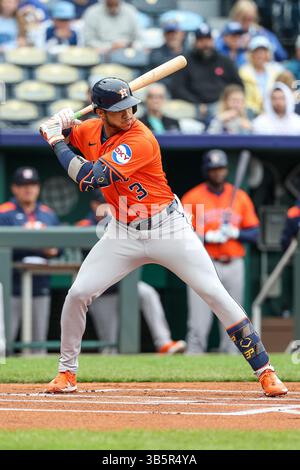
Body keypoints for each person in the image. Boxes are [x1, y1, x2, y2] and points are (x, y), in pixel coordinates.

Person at [39, 76, 287, 397]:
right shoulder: (88, 129)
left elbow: (91, 177)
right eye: (118, 110)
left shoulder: (141, 138)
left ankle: (265, 371)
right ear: (100, 112)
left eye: (130, 106)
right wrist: (58, 123)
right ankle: (66, 373)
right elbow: (55, 130)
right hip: (123, 230)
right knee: (78, 294)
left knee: (214, 293)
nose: (128, 114)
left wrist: (56, 141)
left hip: (168, 228)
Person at [77, 192, 186, 354]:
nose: (109, 206)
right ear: (94, 205)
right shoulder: (85, 225)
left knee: (148, 293)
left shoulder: (123, 220)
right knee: (109, 343)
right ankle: (110, 369)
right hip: (102, 291)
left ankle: (164, 342)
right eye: (104, 203)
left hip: (125, 284)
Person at [181, 150, 260, 354]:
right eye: (214, 169)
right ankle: (193, 361)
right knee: (199, 320)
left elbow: (255, 233)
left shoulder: (240, 197)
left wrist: (236, 233)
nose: (218, 173)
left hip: (233, 263)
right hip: (204, 265)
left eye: (221, 169)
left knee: (235, 318)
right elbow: (181, 234)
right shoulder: (192, 197)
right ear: (206, 171)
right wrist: (208, 237)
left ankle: (234, 360)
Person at [0, 167, 60, 353]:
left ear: (38, 187)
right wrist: (36, 245)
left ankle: (35, 381)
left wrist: (51, 249)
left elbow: (60, 247)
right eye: (23, 185)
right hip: (10, 286)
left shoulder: (48, 214)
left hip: (40, 285)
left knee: (37, 343)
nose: (28, 189)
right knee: (5, 343)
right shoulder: (4, 212)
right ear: (14, 188)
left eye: (32, 184)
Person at [169, 23, 243, 124]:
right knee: (172, 110)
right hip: (191, 106)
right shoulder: (186, 60)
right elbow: (178, 88)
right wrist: (197, 103)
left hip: (220, 105)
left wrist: (225, 101)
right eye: (201, 40)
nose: (205, 44)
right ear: (195, 42)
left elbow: (237, 86)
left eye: (208, 39)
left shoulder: (224, 61)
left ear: (213, 40)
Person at [239, 35, 283, 116]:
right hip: (251, 112)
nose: (260, 55)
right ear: (251, 54)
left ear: (268, 54)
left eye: (263, 51)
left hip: (274, 110)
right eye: (256, 51)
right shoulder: (243, 72)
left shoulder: (277, 70)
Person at [148, 21, 186, 88]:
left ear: (182, 34)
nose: (172, 36)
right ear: (164, 35)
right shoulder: (156, 54)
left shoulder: (189, 53)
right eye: (169, 33)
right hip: (164, 90)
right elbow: (151, 77)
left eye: (175, 33)